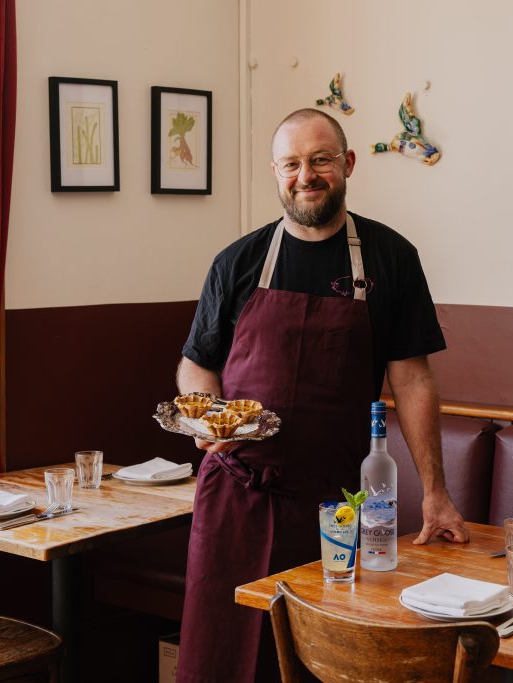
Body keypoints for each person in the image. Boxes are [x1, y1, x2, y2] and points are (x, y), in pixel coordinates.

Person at [175, 108, 468, 683]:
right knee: (222, 655)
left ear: (348, 164)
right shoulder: (237, 262)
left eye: (321, 160)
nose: (305, 175)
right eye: (291, 164)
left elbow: (411, 378)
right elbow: (196, 364)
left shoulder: (390, 258)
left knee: (326, 657)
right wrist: (209, 419)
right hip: (236, 495)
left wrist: (436, 493)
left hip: (332, 504)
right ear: (275, 172)